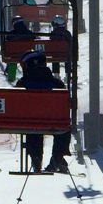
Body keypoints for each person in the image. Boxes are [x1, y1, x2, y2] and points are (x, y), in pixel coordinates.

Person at [19, 45, 72, 174]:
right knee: (63, 129)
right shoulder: (56, 83)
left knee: (33, 128)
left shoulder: (23, 83)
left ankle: (36, 159)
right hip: (56, 121)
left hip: (32, 121)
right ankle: (57, 158)